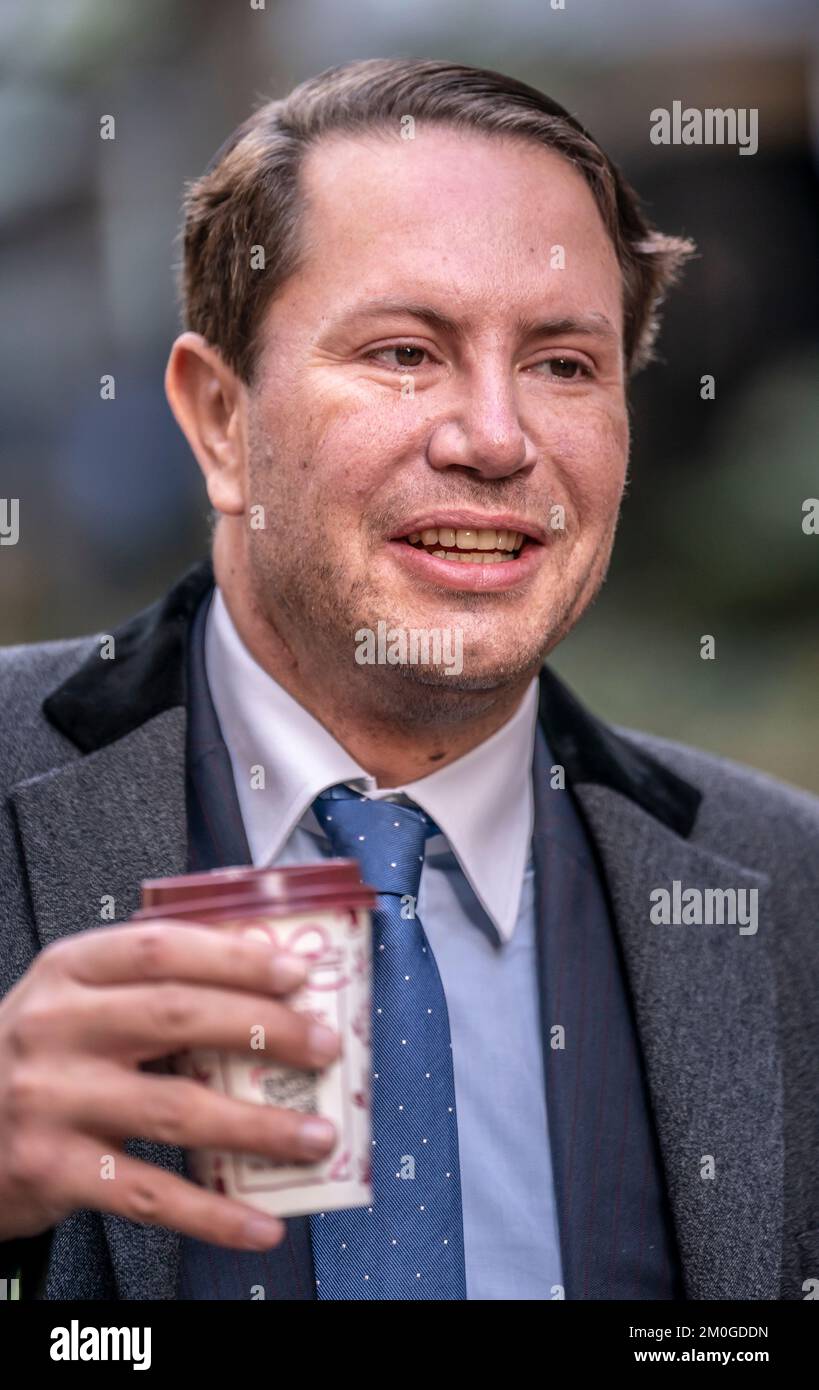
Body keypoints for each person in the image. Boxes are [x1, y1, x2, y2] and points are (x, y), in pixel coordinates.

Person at [0, 58, 816, 1302]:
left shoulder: (790, 892)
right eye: (403, 351)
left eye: (562, 365)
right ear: (222, 421)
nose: (494, 437)